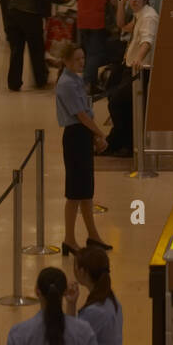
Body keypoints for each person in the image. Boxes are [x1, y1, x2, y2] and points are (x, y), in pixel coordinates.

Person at [56, 44, 111, 257]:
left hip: (83, 134)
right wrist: (100, 134)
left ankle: (93, 235)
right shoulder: (66, 84)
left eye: (83, 58)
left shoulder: (76, 79)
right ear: (67, 61)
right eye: (78, 59)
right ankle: (69, 239)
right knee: (75, 193)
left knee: (86, 192)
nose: (82, 62)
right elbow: (80, 115)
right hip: (75, 136)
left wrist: (94, 135)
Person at [103, 0, 159, 157]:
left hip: (139, 70)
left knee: (117, 103)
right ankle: (123, 143)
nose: (134, 1)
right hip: (129, 67)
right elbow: (121, 25)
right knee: (124, 104)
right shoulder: (140, 15)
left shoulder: (148, 17)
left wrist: (139, 59)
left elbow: (147, 41)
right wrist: (122, 3)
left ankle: (123, 142)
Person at [7, 0, 63, 92]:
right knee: (36, 50)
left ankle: (14, 82)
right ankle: (40, 80)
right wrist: (62, 0)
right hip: (31, 17)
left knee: (16, 50)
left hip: (13, 15)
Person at [66, 0, 118, 90]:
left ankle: (89, 82)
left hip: (82, 22)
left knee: (86, 53)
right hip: (99, 22)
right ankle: (88, 83)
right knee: (94, 55)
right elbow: (114, 2)